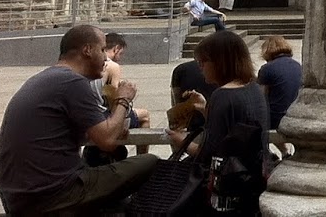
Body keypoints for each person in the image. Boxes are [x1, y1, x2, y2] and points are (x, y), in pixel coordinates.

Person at [0, 23, 159, 214]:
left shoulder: (45, 78)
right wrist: (123, 100)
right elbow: (107, 141)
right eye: (102, 49)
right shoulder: (73, 82)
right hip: (51, 194)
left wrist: (113, 125)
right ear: (87, 50)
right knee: (149, 162)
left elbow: (88, 133)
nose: (105, 57)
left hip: (15, 194)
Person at [170, 30, 272, 208]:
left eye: (203, 62)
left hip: (227, 186)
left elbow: (208, 153)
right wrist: (205, 109)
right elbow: (237, 133)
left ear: (220, 62)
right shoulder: (255, 89)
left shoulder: (222, 95)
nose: (200, 67)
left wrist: (181, 140)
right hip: (254, 178)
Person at [101, 31, 151, 128]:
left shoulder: (91, 63)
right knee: (145, 115)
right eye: (121, 53)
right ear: (116, 49)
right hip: (104, 115)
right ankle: (142, 142)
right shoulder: (113, 66)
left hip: (91, 112)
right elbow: (114, 99)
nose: (120, 58)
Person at [256, 35, 303, 131]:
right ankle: (285, 147)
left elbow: (260, 98)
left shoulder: (267, 69)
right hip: (295, 114)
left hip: (276, 118)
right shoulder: (297, 65)